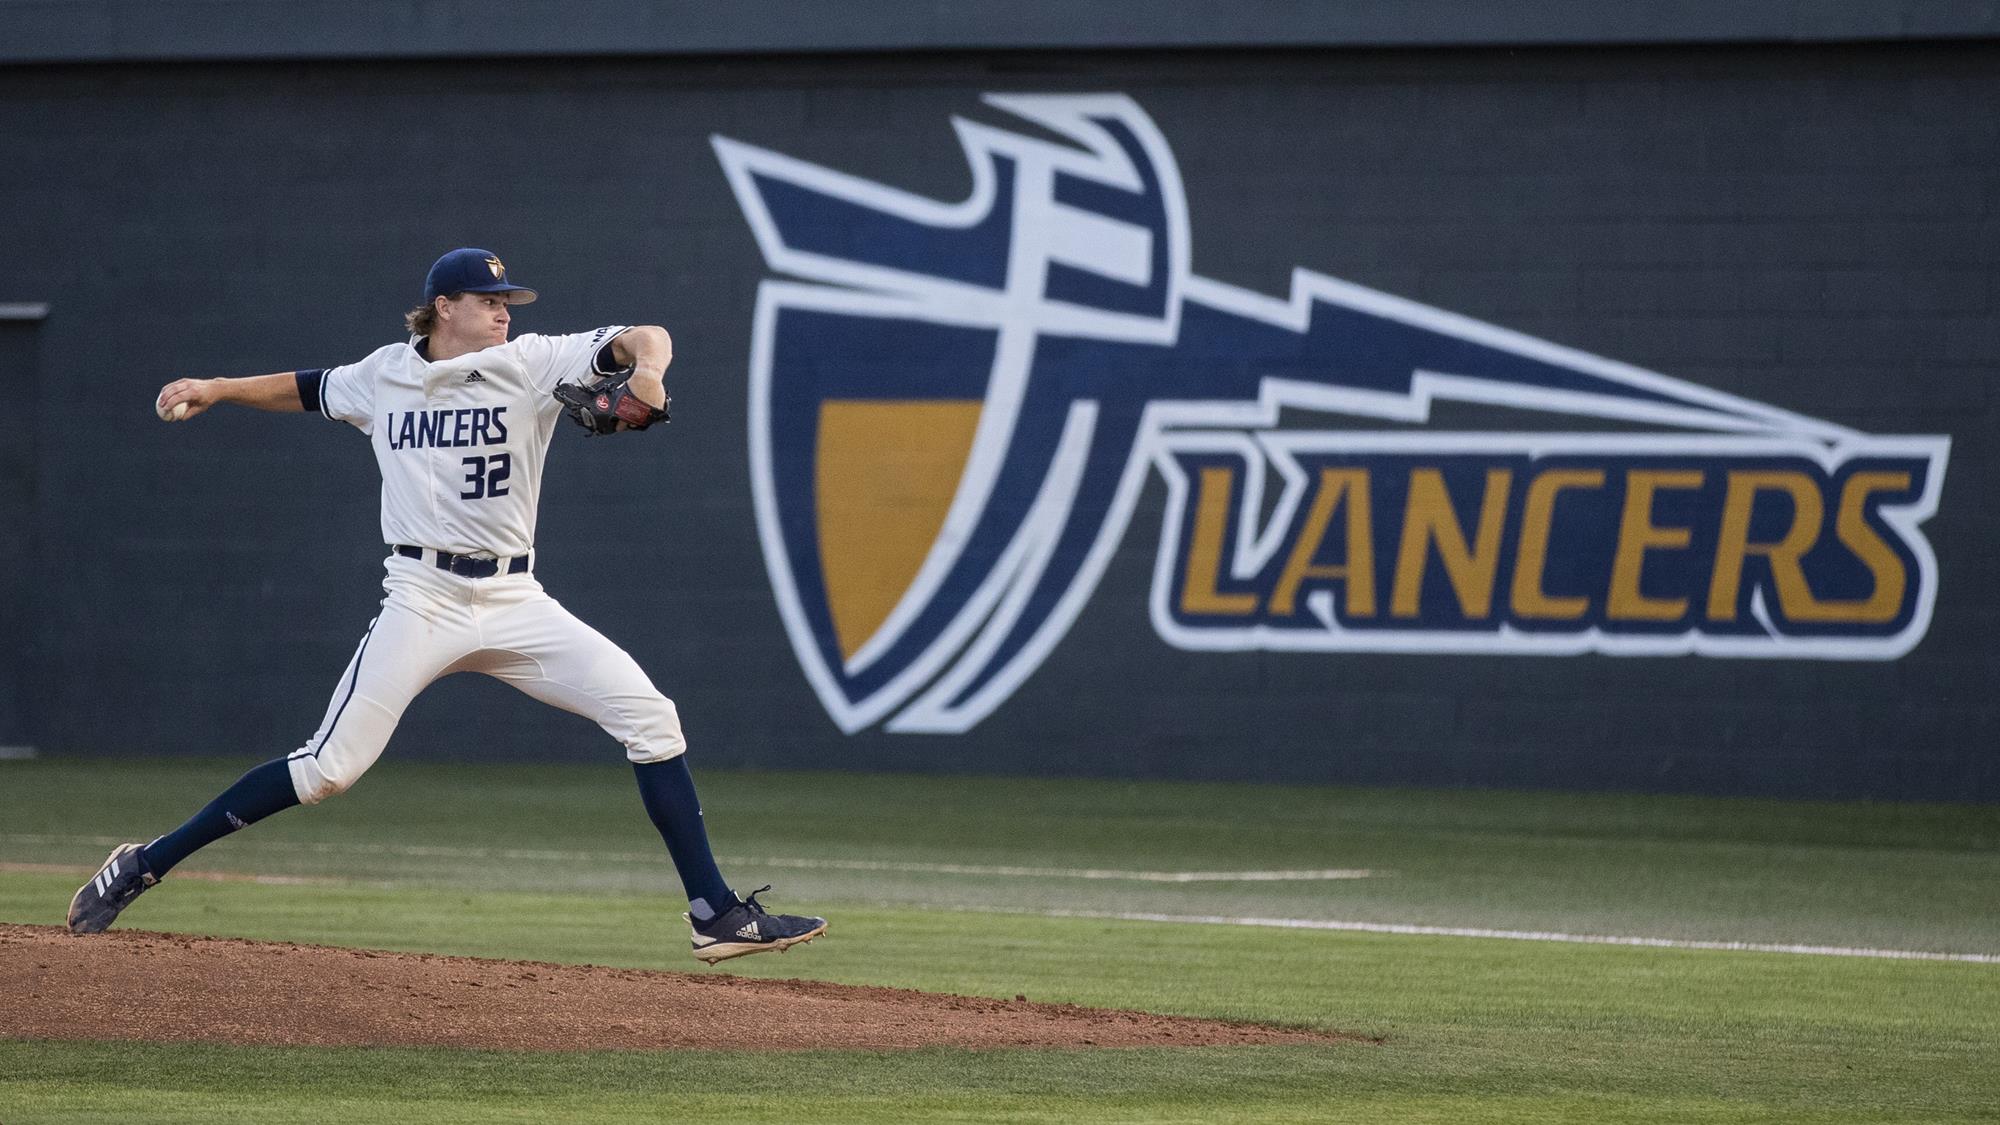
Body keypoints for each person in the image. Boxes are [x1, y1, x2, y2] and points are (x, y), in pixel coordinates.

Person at [67, 248, 827, 965]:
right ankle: (143, 862)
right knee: (328, 769)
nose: (504, 312)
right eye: (489, 300)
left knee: (652, 717)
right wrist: (220, 388)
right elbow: (307, 387)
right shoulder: (383, 375)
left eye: (508, 300)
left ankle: (715, 913)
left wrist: (651, 372)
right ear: (442, 306)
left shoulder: (530, 361)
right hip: (422, 598)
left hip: (514, 597)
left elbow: (643, 336)